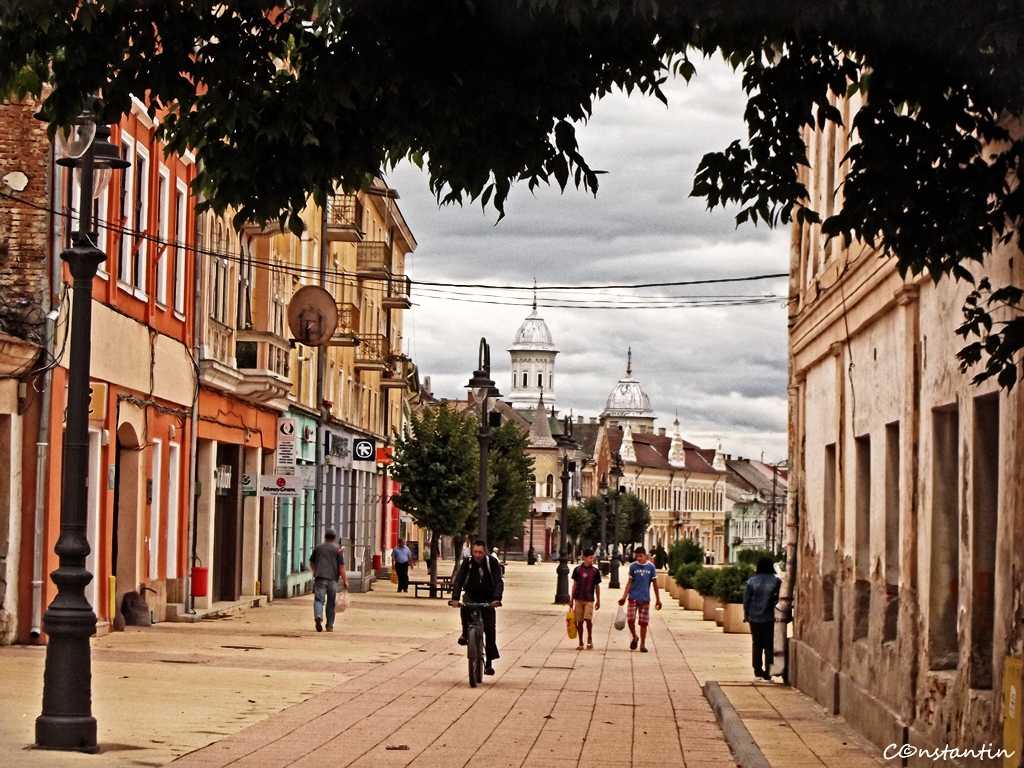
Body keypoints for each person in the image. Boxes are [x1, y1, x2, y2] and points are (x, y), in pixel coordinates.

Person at [449, 540, 504, 675]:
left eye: (480, 552)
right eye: (475, 552)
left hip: (488, 597)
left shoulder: (492, 563)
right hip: (472, 593)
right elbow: (459, 579)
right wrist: (455, 598)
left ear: (485, 552)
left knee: (490, 629)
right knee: (465, 606)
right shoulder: (467, 562)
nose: (477, 555)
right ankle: (465, 633)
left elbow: (498, 581)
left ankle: (489, 663)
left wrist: (496, 598)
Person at [743, 555, 782, 681]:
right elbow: (781, 600)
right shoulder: (776, 581)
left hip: (754, 617)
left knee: (757, 644)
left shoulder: (751, 581)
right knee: (769, 644)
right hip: (770, 617)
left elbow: (746, 600)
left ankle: (757, 669)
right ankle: (769, 671)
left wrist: (746, 615)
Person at [617, 546, 661, 652]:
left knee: (643, 622)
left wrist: (658, 599)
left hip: (645, 598)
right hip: (633, 597)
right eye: (637, 556)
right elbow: (629, 582)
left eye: (640, 556)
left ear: (645, 555)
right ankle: (635, 636)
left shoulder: (651, 567)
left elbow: (655, 584)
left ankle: (642, 644)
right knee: (630, 620)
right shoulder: (633, 566)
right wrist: (624, 596)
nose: (638, 558)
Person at [310, 528, 349, 632]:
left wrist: (314, 571)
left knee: (319, 599)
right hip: (332, 579)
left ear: (325, 537)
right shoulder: (338, 549)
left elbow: (312, 561)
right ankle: (329, 626)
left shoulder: (318, 548)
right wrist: (345, 580)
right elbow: (341, 566)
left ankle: (318, 615)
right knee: (331, 602)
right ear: (334, 538)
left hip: (320, 577)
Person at [571, 547, 601, 650]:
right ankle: (580, 642)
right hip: (578, 598)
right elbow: (574, 585)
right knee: (579, 621)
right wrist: (571, 600)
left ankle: (589, 637)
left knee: (588, 619)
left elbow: (597, 586)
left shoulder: (595, 571)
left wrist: (598, 600)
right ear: (584, 558)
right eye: (590, 558)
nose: (591, 560)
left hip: (589, 598)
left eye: (593, 558)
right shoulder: (578, 570)